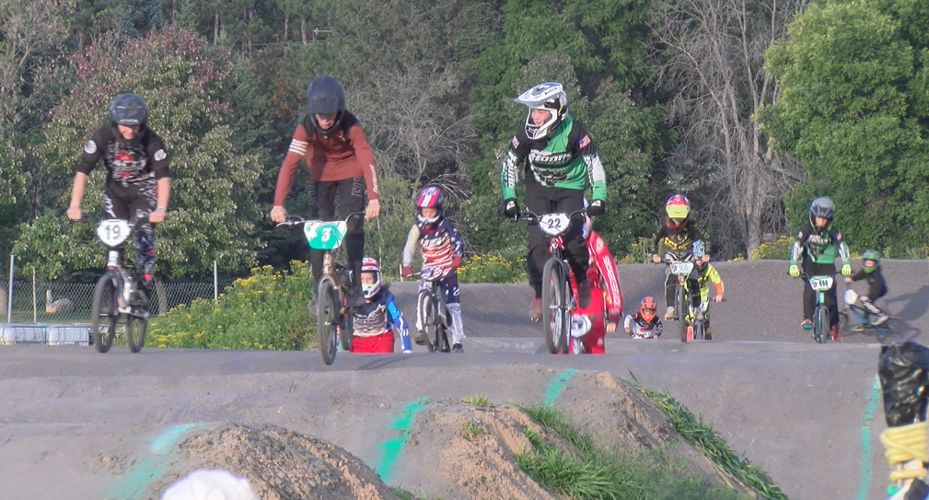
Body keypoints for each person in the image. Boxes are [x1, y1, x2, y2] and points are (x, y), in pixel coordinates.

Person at [499, 82, 608, 322]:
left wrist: (599, 197)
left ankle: (580, 282)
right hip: (538, 191)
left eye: (541, 112)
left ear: (557, 112)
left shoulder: (574, 132)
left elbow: (594, 164)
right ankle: (540, 294)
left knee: (574, 244)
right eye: (533, 112)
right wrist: (509, 199)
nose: (535, 118)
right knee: (538, 245)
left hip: (570, 190)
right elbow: (509, 164)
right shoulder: (525, 134)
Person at [270, 75, 380, 308]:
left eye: (330, 115)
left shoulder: (350, 124)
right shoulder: (306, 128)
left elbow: (366, 158)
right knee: (318, 231)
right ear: (313, 114)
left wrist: (374, 199)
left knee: (353, 222)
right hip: (319, 176)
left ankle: (356, 284)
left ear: (339, 111)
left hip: (351, 173)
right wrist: (278, 203)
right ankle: (318, 290)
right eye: (321, 116)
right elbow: (290, 164)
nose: (325, 121)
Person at [67, 93, 171, 315]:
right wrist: (75, 205)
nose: (129, 131)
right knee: (113, 243)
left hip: (145, 193)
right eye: (125, 126)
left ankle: (142, 294)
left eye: (134, 127)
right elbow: (83, 171)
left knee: (144, 241)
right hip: (116, 193)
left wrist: (161, 208)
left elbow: (163, 177)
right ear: (116, 123)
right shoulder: (103, 137)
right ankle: (115, 297)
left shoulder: (152, 141)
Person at [401, 186, 466, 353]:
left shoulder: (446, 225)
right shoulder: (417, 228)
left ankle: (457, 339)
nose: (428, 215)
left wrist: (458, 257)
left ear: (439, 210)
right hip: (429, 267)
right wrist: (407, 265)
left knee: (453, 304)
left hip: (447, 266)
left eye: (431, 211)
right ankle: (421, 329)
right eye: (425, 211)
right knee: (423, 292)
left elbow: (457, 241)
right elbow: (409, 247)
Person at [788, 196, 851, 341]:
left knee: (831, 295)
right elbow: (797, 246)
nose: (821, 222)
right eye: (818, 218)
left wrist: (846, 263)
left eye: (824, 219)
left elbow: (842, 246)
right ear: (813, 215)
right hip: (810, 262)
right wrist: (793, 264)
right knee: (809, 287)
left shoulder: (833, 231)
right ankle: (808, 317)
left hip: (827, 263)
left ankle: (834, 326)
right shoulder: (807, 229)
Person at [566, 207, 623, 354]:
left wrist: (614, 310)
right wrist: (546, 310)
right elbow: (546, 275)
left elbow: (610, 275)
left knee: (595, 335)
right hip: (566, 293)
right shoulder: (557, 241)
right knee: (563, 343)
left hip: (592, 291)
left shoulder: (595, 241)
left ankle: (597, 369)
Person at [651, 194, 709, 321]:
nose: (677, 222)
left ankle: (697, 308)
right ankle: (670, 308)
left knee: (693, 280)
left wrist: (704, 254)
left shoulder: (692, 226)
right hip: (671, 254)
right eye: (675, 219)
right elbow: (655, 240)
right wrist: (655, 254)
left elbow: (703, 238)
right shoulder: (664, 226)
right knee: (671, 277)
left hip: (689, 254)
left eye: (680, 219)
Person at [351, 257, 412, 353]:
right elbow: (340, 324)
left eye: (369, 279)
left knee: (383, 364)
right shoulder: (349, 298)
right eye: (361, 279)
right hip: (357, 340)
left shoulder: (385, 296)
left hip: (382, 338)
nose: (365, 283)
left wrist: (406, 349)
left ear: (376, 278)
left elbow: (398, 319)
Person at [845, 249, 888, 329]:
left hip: (880, 290)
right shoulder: (865, 270)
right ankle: (865, 324)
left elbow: (877, 287)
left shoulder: (876, 275)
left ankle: (881, 315)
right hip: (873, 288)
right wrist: (851, 279)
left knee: (867, 303)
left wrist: (868, 297)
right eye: (867, 262)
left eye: (870, 263)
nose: (868, 265)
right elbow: (860, 275)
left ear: (875, 264)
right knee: (865, 305)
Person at [689, 246, 725, 340]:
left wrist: (719, 295)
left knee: (706, 320)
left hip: (703, 295)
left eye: (701, 257)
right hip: (689, 294)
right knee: (688, 319)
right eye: (697, 257)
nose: (700, 260)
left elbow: (718, 282)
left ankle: (708, 338)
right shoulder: (688, 266)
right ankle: (687, 335)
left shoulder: (709, 268)